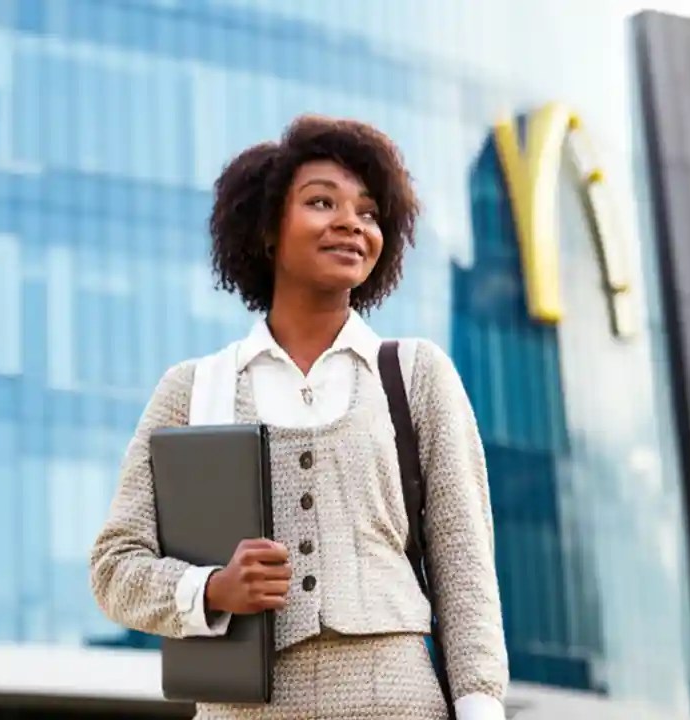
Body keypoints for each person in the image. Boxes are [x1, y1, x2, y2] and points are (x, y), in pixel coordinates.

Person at [89, 115, 508, 719]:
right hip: (244, 708)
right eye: (321, 202)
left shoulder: (415, 375)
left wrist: (480, 708)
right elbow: (114, 566)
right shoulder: (193, 389)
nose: (350, 223)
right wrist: (211, 589)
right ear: (265, 229)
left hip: (396, 699)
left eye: (368, 212)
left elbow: (465, 570)